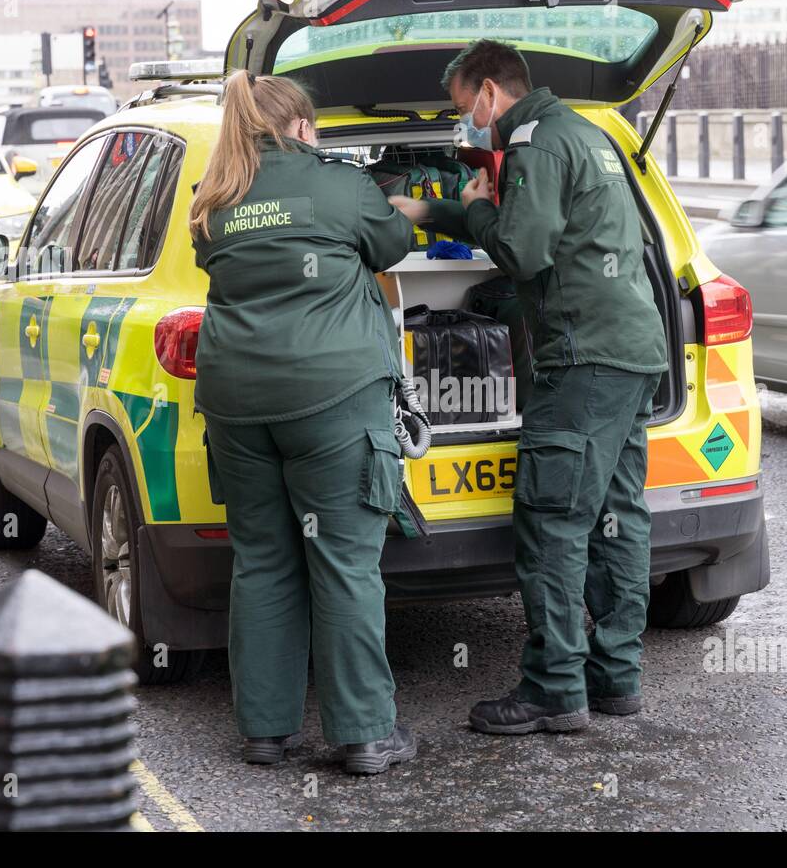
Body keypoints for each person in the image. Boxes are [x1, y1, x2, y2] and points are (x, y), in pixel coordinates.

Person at [391, 41, 668, 735]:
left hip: (582, 360)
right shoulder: (589, 133)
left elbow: (522, 250)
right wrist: (441, 213)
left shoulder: (534, 143)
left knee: (552, 520)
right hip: (631, 352)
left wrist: (476, 212)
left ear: (489, 93)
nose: (467, 127)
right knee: (616, 515)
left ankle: (553, 689)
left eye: (465, 111)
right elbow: (550, 230)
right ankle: (615, 678)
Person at [190, 72, 416, 774]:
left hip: (237, 407)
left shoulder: (214, 200)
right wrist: (403, 205)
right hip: (332, 401)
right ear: (300, 127)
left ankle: (265, 731)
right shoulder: (339, 186)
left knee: (262, 563)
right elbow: (394, 244)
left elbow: (221, 260)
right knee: (346, 567)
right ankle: (365, 736)